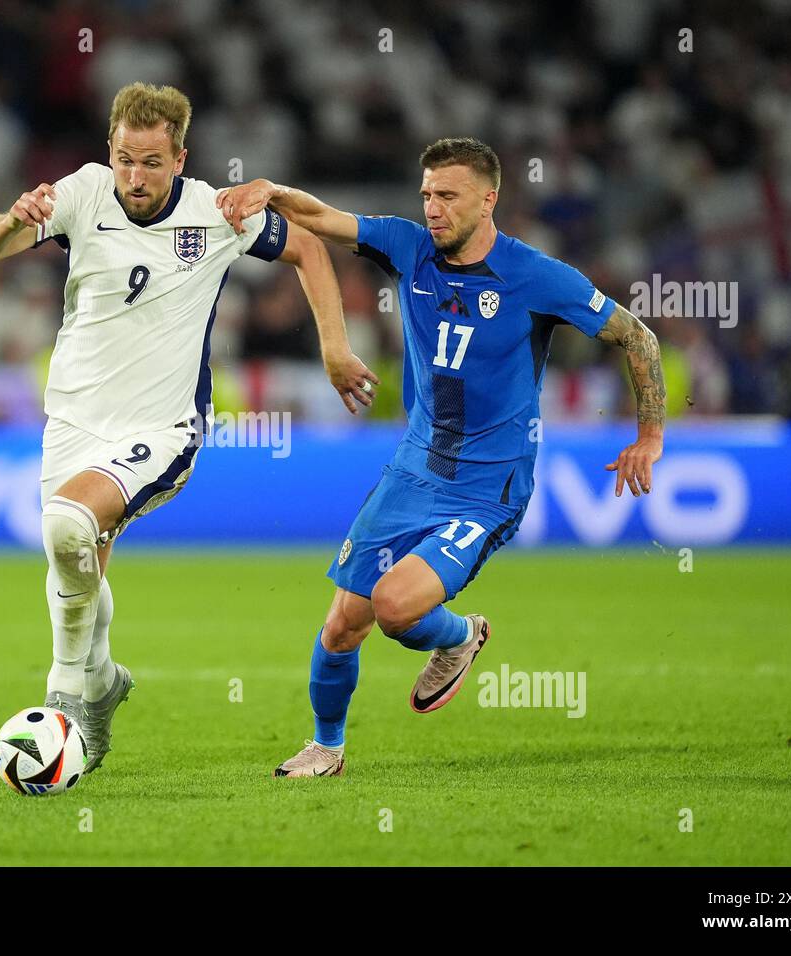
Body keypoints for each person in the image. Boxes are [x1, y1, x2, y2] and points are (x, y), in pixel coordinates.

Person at [217, 137, 667, 777]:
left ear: (489, 200)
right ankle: (327, 747)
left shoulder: (534, 276)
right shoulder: (409, 248)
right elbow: (323, 220)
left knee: (397, 608)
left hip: (489, 489)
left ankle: (460, 636)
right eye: (426, 194)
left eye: (448, 195)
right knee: (344, 621)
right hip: (414, 469)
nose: (432, 207)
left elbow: (637, 335)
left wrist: (649, 437)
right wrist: (272, 191)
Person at [0, 82, 376, 773]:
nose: (136, 177)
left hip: (162, 429)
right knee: (76, 559)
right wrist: (12, 219)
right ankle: (100, 685)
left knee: (68, 527)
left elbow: (306, 245)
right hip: (70, 419)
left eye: (152, 163)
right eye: (126, 159)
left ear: (180, 158)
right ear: (110, 152)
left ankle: (65, 697)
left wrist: (335, 346)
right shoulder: (84, 192)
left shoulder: (215, 213)